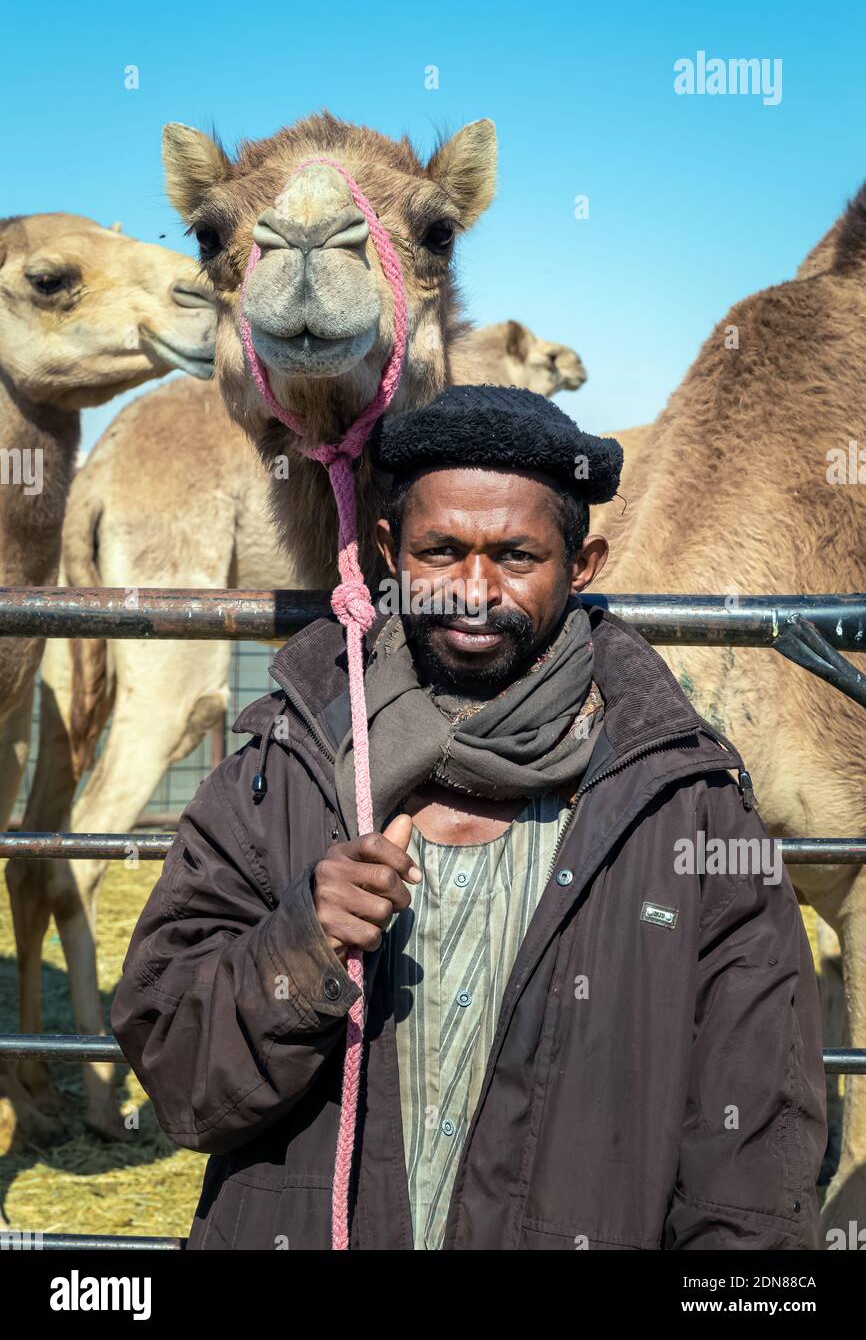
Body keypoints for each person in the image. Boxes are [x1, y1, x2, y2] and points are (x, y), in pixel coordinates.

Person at [111, 384, 826, 1251]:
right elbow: (179, 1078)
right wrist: (300, 945)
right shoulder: (284, 773)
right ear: (388, 551)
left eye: (517, 556)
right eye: (441, 552)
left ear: (584, 562)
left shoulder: (686, 807)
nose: (474, 591)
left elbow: (753, 1157)